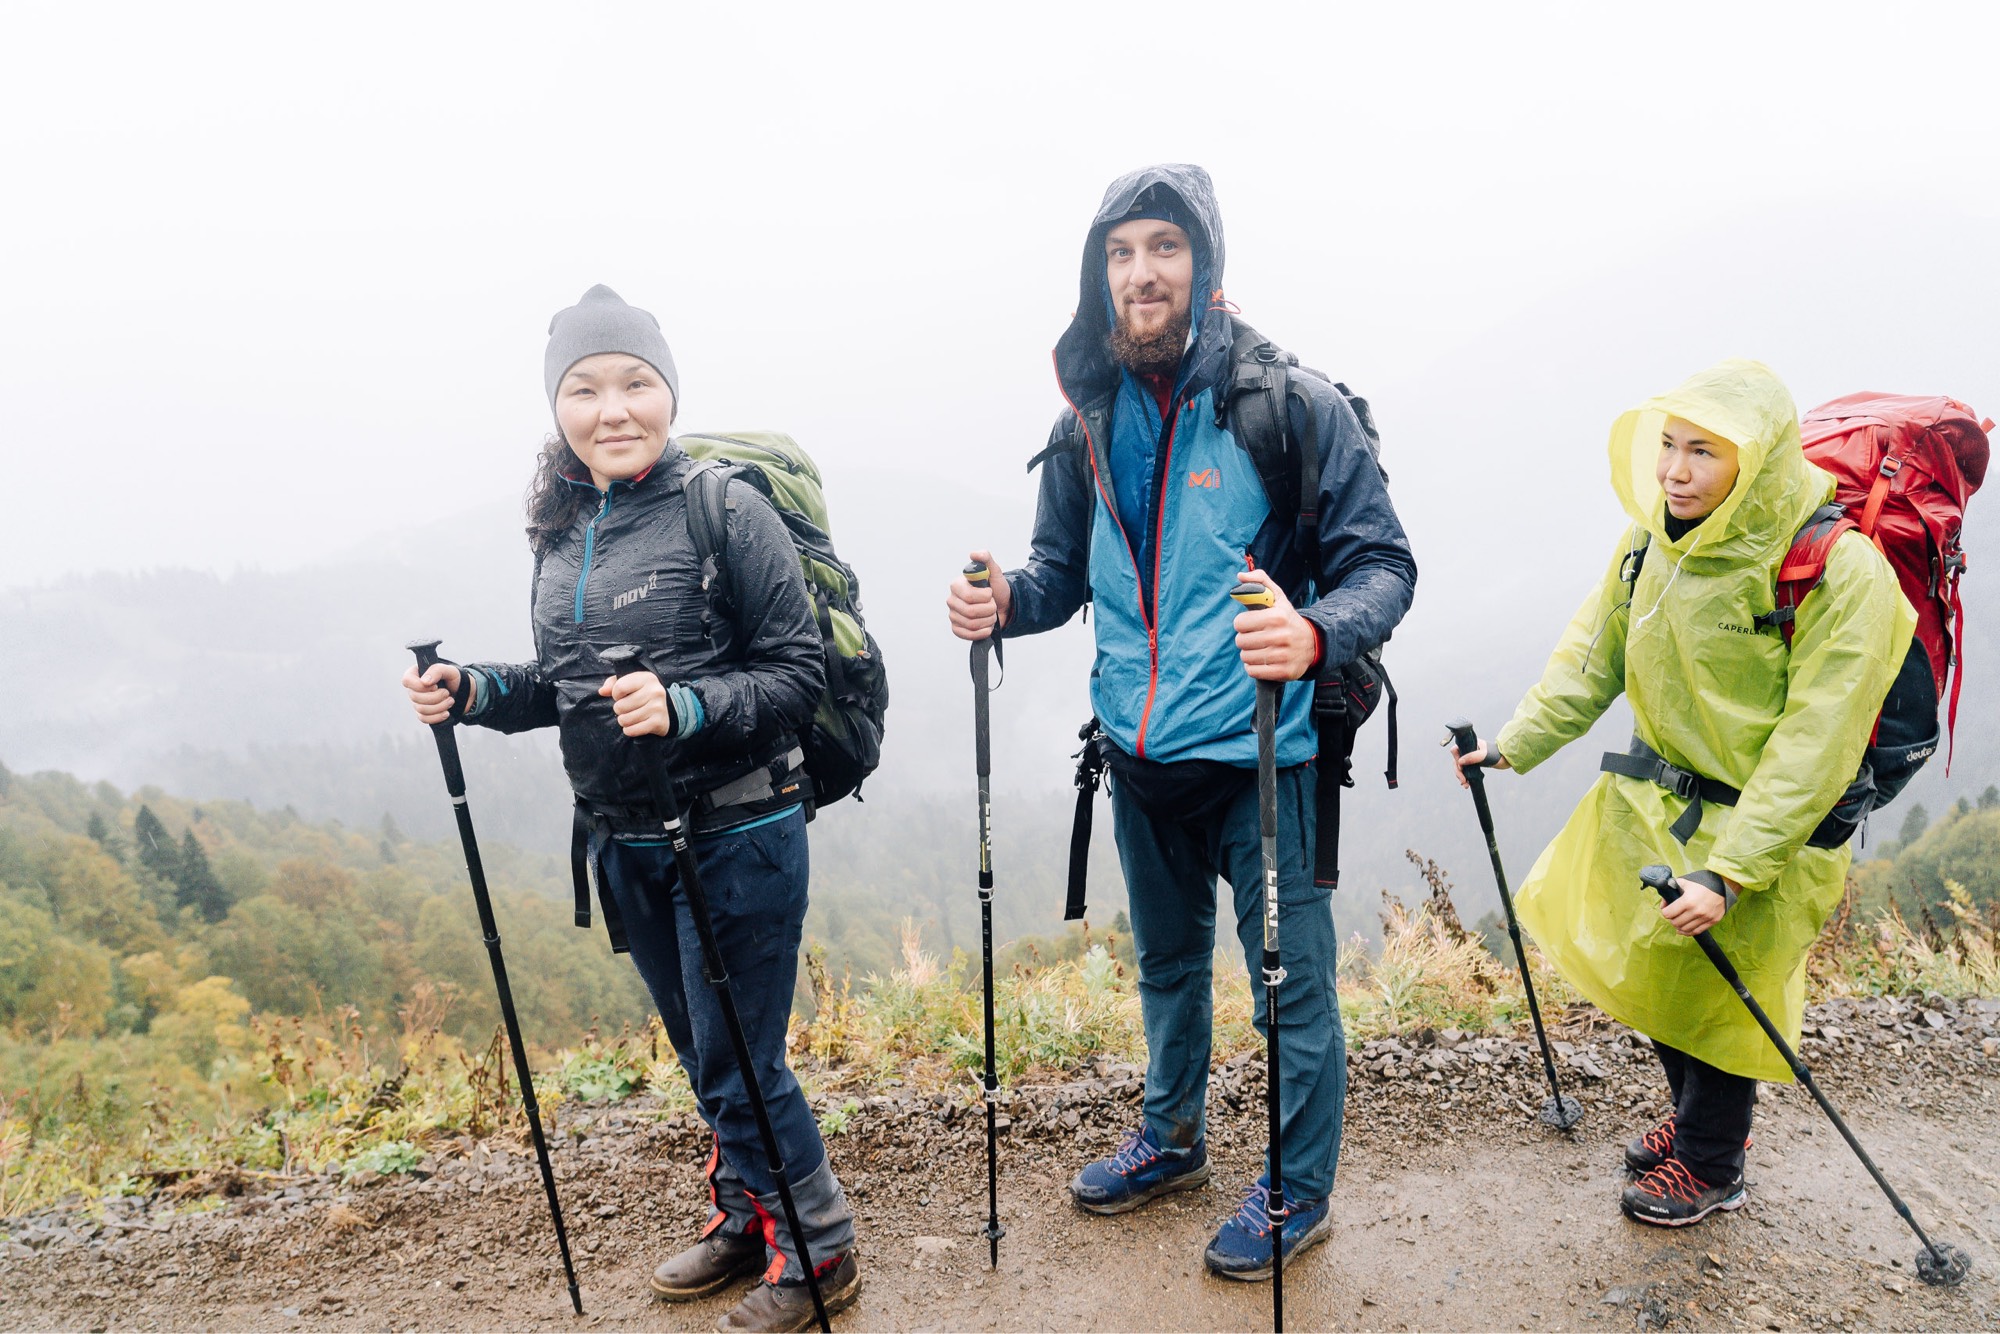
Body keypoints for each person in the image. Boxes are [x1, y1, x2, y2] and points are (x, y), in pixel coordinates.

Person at [945, 165, 1417, 1279]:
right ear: (1096, 272)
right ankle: (1171, 1139)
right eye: (1118, 252)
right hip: (1138, 753)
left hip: (1267, 753)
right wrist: (1006, 598)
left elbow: (1382, 563)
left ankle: (1297, 1190)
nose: (1139, 272)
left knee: (1286, 990)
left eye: (1161, 246)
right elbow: (1063, 571)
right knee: (1165, 966)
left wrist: (1312, 633)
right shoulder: (1086, 420)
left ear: (1202, 264)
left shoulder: (1287, 405)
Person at [402, 285, 859, 1331]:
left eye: (635, 383)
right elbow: (565, 691)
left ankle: (820, 1246)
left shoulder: (724, 508)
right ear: (557, 407)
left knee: (744, 1060)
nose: (613, 408)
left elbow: (794, 675)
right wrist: (473, 692)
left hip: (740, 826)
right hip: (626, 837)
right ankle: (748, 1214)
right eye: (585, 387)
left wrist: (687, 704)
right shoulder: (560, 531)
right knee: (707, 1060)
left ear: (667, 394)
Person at [1452, 358, 1915, 1227]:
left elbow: (1818, 739)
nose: (1673, 470)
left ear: (1762, 458)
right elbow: (1592, 656)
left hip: (1767, 830)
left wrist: (1733, 870)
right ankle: (1701, 1126)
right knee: (1667, 974)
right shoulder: (1650, 543)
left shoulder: (1836, 571)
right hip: (1660, 806)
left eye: (1702, 451)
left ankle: (1712, 1161)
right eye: (1666, 445)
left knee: (1725, 988)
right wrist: (1513, 746)